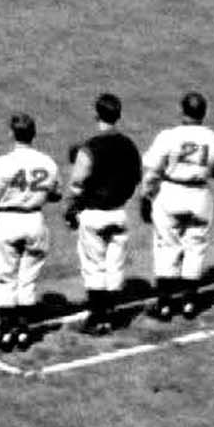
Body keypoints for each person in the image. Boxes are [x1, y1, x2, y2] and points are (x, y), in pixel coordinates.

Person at [0, 114, 63, 339]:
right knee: (28, 279)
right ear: (33, 134)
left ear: (11, 133)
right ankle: (24, 330)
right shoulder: (48, 162)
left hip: (7, 220)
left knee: (4, 277)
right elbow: (56, 194)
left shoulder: (4, 162)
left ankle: (7, 331)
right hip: (35, 221)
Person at [142, 94, 214, 312]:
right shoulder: (213, 139)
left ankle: (165, 304)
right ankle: (189, 302)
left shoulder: (168, 136)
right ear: (204, 113)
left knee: (166, 246)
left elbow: (153, 170)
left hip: (170, 193)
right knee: (195, 246)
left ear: (182, 111)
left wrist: (146, 195)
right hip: (199, 196)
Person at [69, 94, 146, 329]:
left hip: (94, 215)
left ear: (97, 115)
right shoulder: (129, 145)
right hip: (119, 213)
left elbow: (76, 184)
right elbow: (137, 178)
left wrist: (72, 208)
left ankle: (98, 317)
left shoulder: (90, 148)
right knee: (114, 266)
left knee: (94, 267)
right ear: (118, 115)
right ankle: (111, 315)